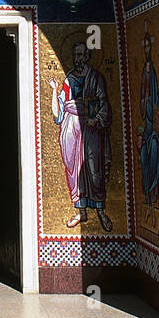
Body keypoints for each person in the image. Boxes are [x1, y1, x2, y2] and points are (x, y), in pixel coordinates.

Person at [49, 42, 113, 231]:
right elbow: (58, 112)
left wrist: (97, 119)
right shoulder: (69, 79)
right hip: (71, 128)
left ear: (87, 56)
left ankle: (100, 211)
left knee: (94, 169)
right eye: (75, 55)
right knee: (74, 171)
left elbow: (105, 104)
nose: (77, 59)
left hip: (91, 129)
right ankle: (81, 211)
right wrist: (54, 89)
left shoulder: (96, 78)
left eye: (80, 55)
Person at [138, 32, 159, 208]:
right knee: (144, 154)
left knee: (154, 148)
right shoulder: (146, 69)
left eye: (149, 46)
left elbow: (156, 99)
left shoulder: (153, 71)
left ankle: (156, 189)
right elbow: (143, 98)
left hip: (157, 126)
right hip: (148, 124)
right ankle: (148, 191)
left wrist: (158, 128)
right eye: (145, 47)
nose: (147, 50)